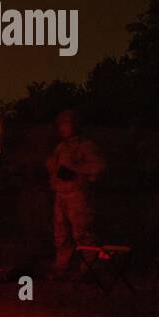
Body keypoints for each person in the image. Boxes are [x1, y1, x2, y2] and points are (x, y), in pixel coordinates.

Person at [46, 109, 105, 277]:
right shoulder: (60, 147)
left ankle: (89, 268)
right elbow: (56, 169)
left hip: (77, 195)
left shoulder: (86, 146)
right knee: (61, 232)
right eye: (61, 124)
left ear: (75, 125)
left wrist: (76, 168)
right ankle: (61, 266)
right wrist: (53, 169)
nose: (63, 128)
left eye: (67, 124)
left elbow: (99, 166)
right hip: (61, 194)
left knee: (83, 232)